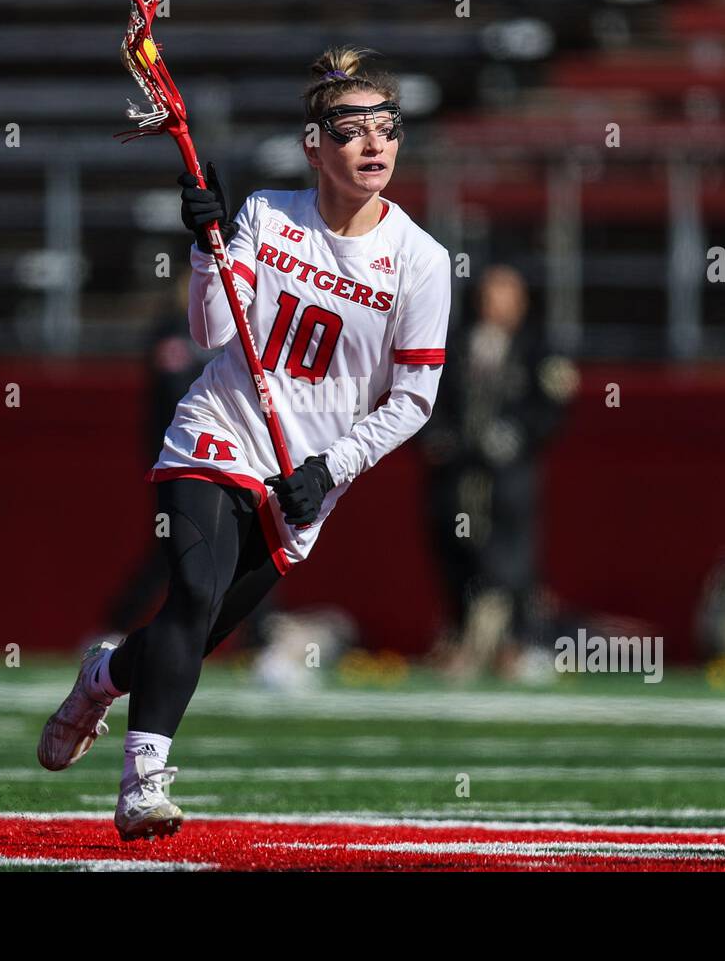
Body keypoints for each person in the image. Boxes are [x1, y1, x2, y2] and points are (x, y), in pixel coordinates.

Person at [37, 46, 452, 841]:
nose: (372, 144)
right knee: (193, 594)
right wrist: (207, 250)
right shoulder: (268, 215)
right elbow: (211, 329)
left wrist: (331, 466)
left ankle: (102, 675)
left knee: (190, 636)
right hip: (220, 431)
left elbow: (415, 400)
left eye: (386, 128)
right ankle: (141, 783)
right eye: (350, 128)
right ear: (314, 144)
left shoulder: (422, 262)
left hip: (307, 476)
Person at [420, 264, 577, 681]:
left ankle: (516, 643)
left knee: (513, 558)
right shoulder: (455, 342)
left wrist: (518, 435)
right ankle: (459, 638)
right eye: (491, 295)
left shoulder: (538, 348)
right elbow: (424, 394)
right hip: (457, 475)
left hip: (510, 476)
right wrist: (440, 437)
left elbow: (553, 403)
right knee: (456, 549)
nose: (497, 305)